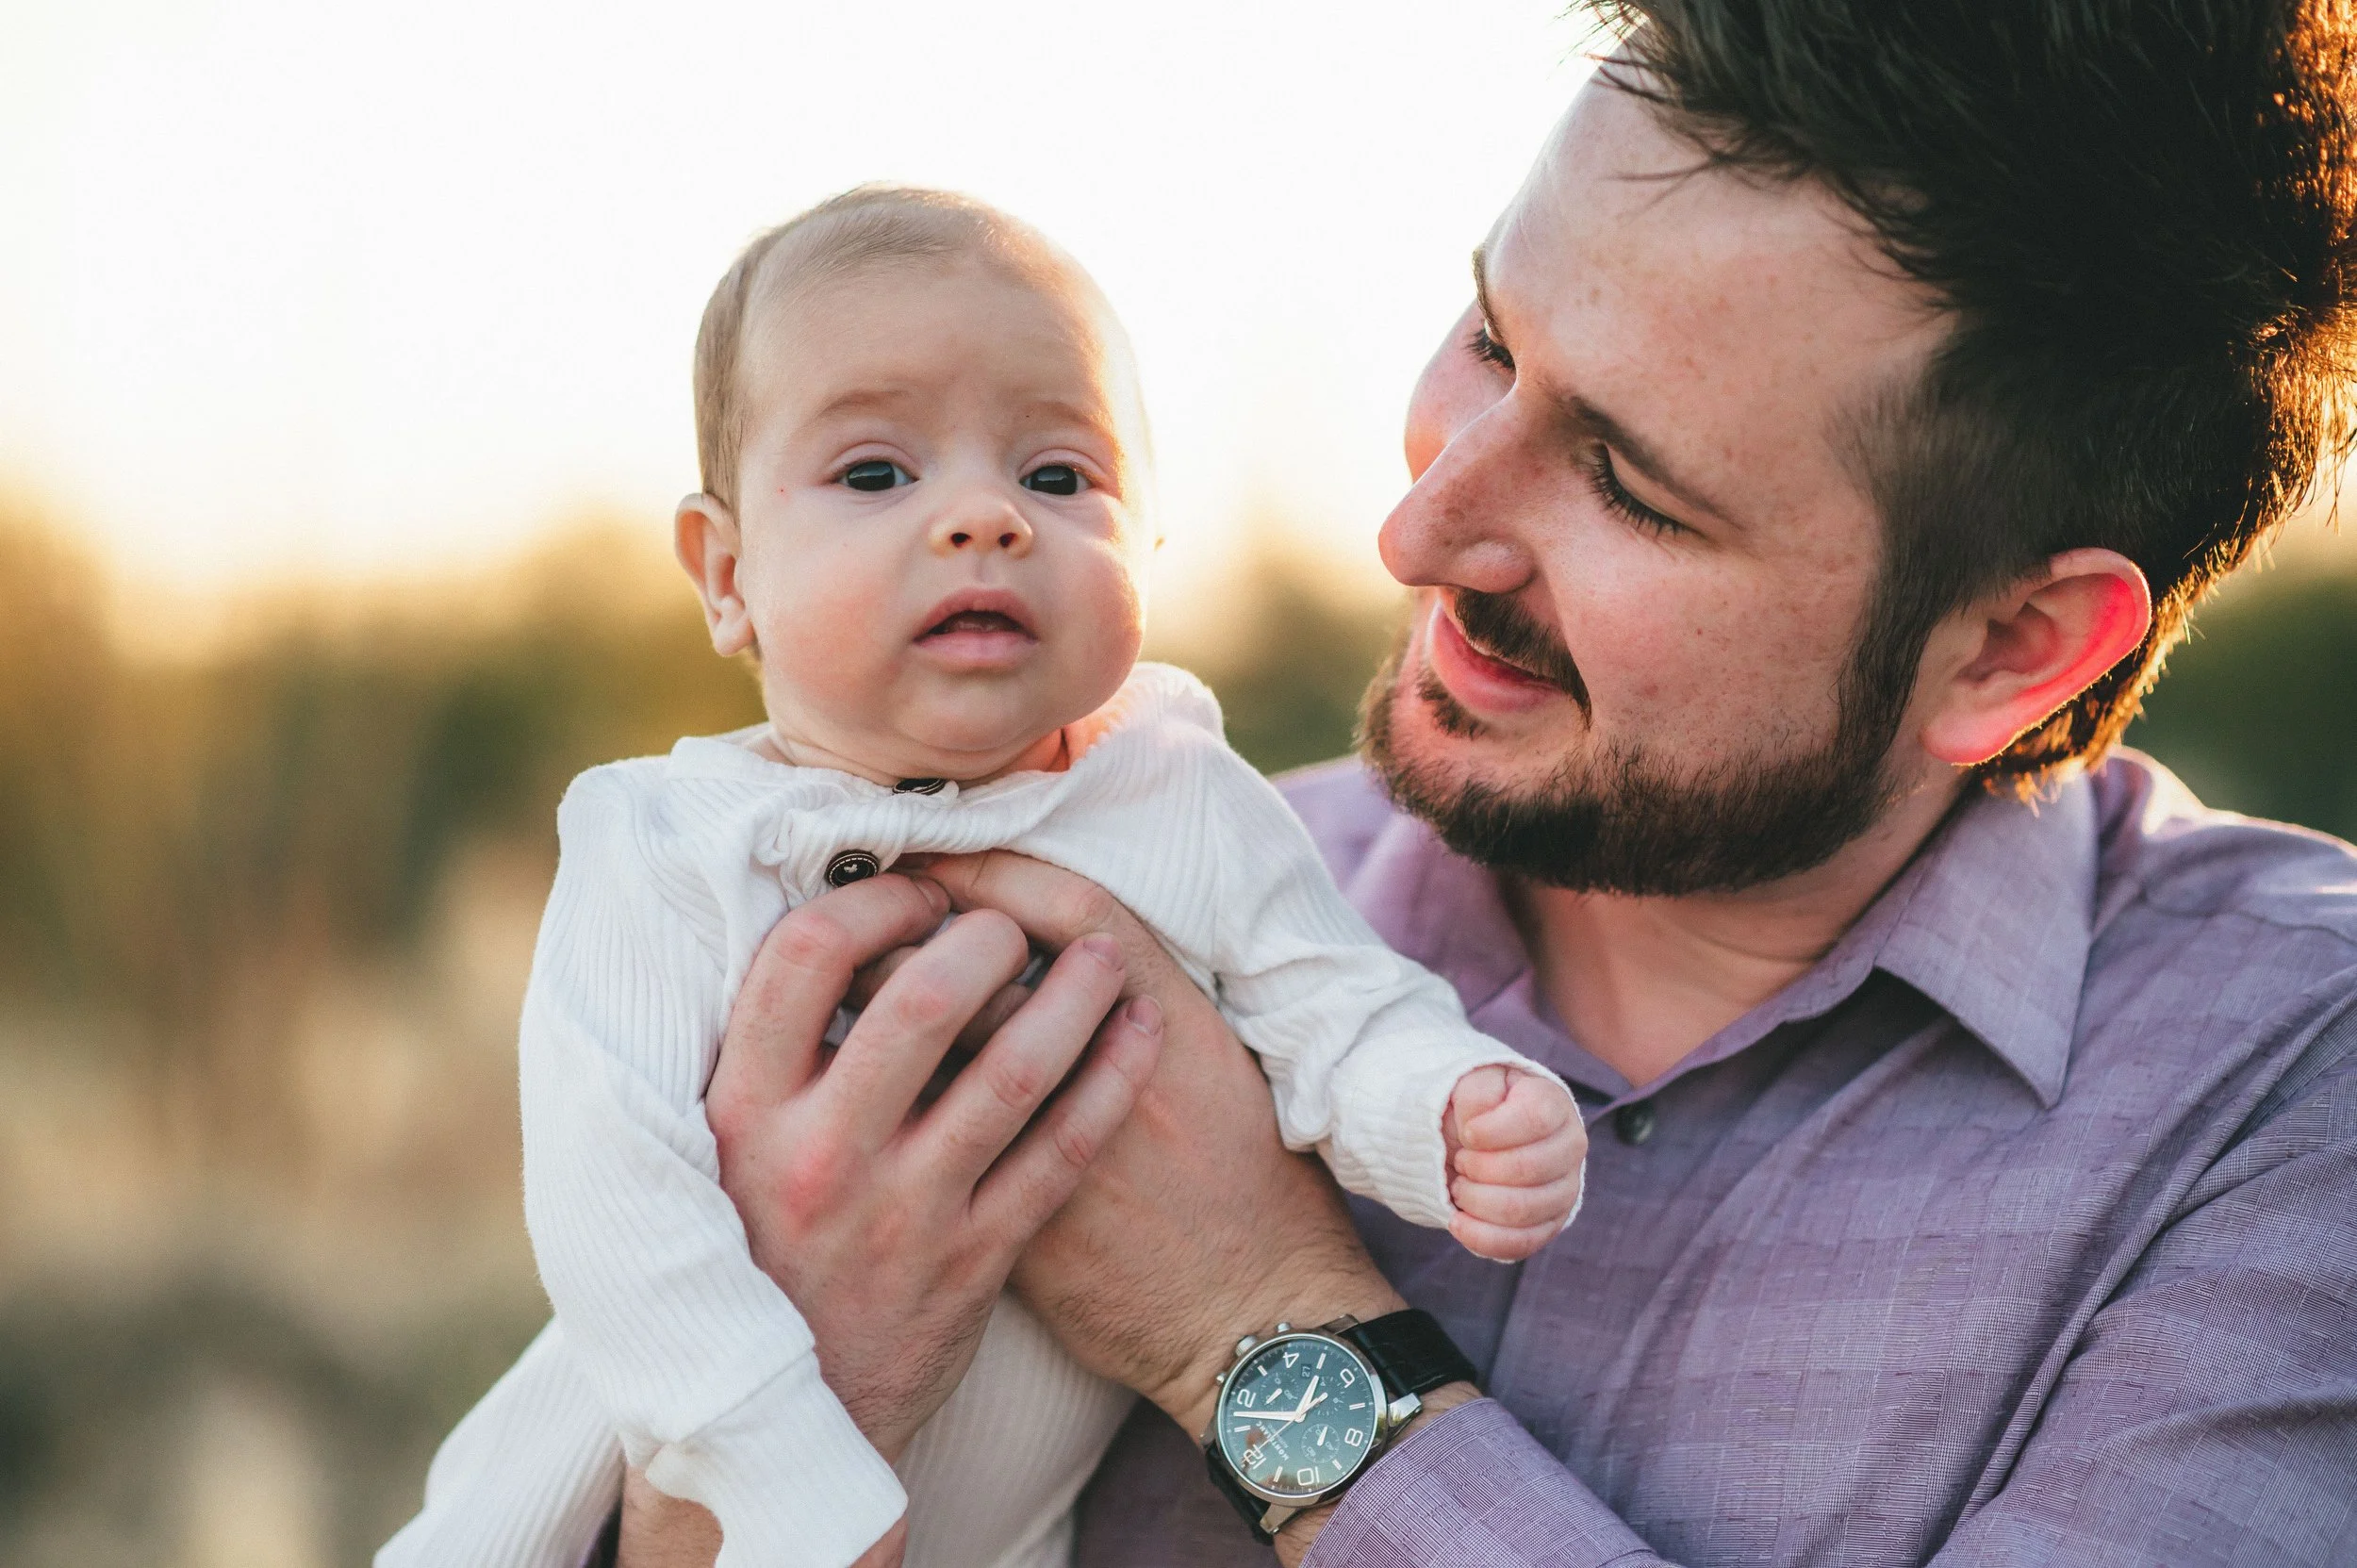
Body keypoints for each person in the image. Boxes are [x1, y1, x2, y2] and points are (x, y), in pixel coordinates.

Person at [614, 1, 2357, 1564]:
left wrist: (1257, 1331)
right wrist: (780, 1400)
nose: (1420, 526)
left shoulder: (2292, 1108)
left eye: (1635, 488)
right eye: (1494, 345)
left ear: (2014, 648)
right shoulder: (1138, 870)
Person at [378, 187, 1585, 1568]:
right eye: (878, 473)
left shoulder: (1175, 789)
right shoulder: (661, 843)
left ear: (1148, 551)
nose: (984, 518)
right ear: (726, 576)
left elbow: (1332, 998)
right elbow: (611, 1198)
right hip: (683, 1459)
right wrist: (780, 1457)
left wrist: (1437, 1107)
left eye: (1059, 476)